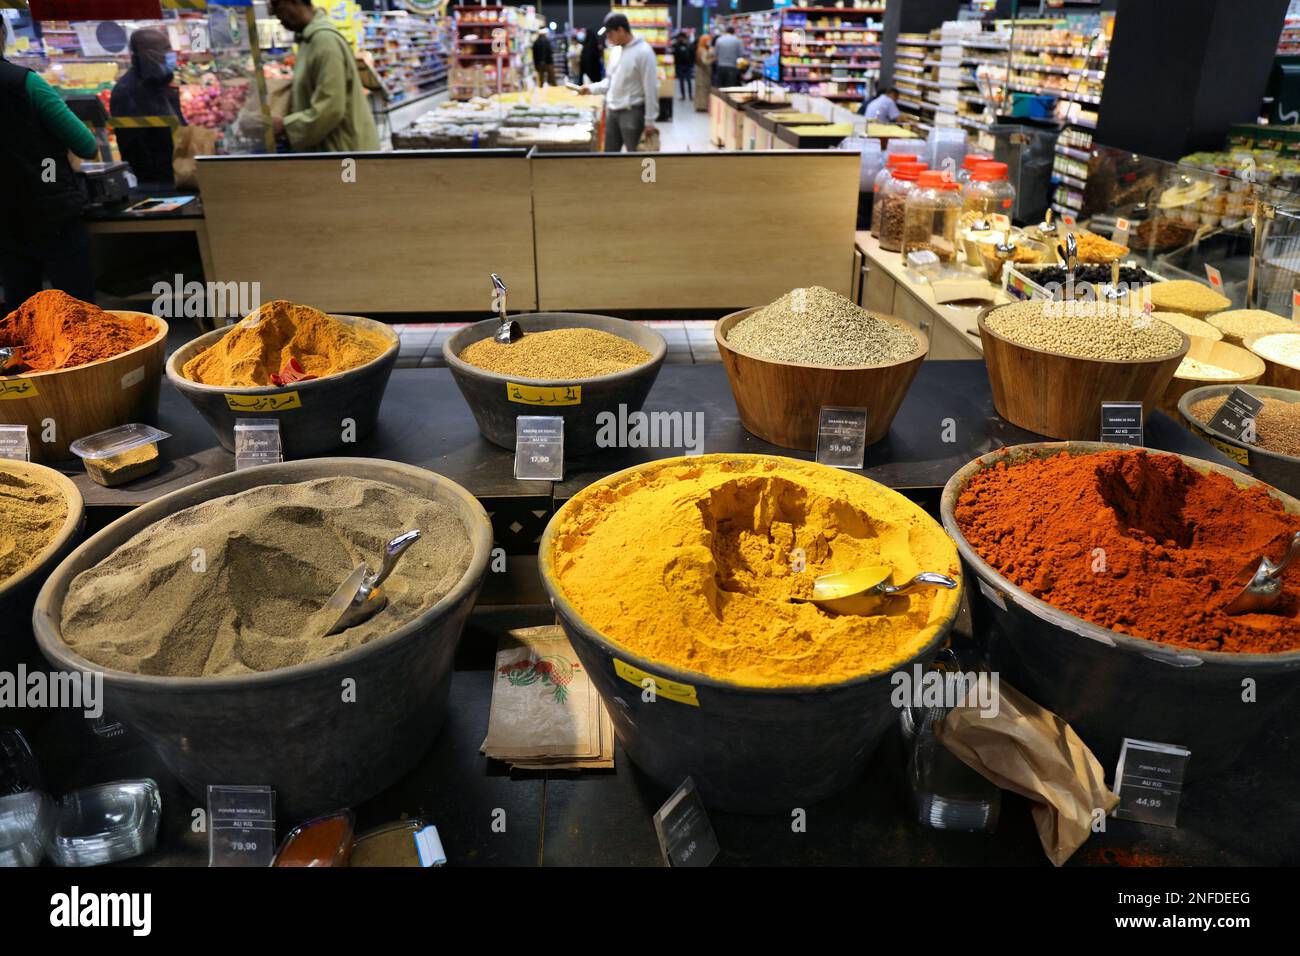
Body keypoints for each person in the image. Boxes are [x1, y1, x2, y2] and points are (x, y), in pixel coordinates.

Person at [0, 14, 99, 311]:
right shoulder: (24, 83)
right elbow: (86, 144)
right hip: (50, 209)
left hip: (3, 224)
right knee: (79, 312)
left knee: (24, 317)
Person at [268, 0, 378, 153]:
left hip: (344, 152)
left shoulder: (324, 41)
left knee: (349, 178)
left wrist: (285, 126)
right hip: (332, 147)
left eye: (277, 7)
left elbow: (330, 106)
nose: (275, 15)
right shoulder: (309, 41)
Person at [110, 28, 185, 187]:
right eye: (166, 48)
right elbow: (134, 149)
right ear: (149, 54)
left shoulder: (160, 82)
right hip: (157, 182)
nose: (172, 53)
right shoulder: (127, 91)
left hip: (176, 171)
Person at [580, 14, 658, 153]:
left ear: (621, 30)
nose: (608, 38)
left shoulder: (644, 52)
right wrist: (591, 88)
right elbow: (610, 81)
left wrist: (650, 121)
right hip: (612, 112)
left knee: (635, 156)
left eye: (610, 33)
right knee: (610, 156)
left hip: (632, 112)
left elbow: (650, 88)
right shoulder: (615, 51)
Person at [672, 30, 694, 102]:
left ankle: (690, 95)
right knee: (681, 82)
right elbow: (674, 55)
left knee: (689, 81)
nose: (680, 39)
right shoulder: (676, 45)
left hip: (688, 66)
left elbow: (691, 55)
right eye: (679, 38)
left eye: (681, 37)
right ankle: (683, 96)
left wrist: (691, 64)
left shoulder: (689, 45)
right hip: (680, 66)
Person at [693, 34, 712, 112]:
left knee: (699, 89)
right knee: (703, 89)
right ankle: (703, 106)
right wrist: (713, 59)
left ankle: (699, 105)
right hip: (703, 73)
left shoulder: (699, 48)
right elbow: (705, 62)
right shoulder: (703, 50)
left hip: (699, 72)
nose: (709, 42)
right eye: (708, 41)